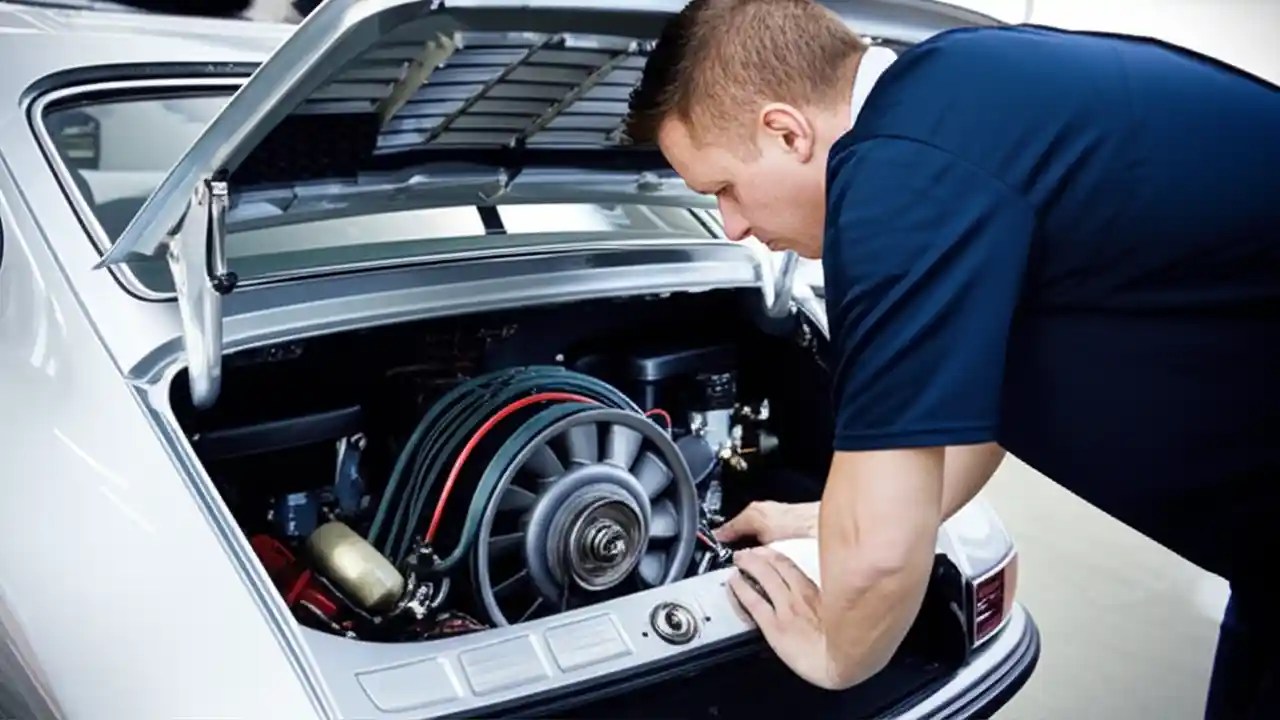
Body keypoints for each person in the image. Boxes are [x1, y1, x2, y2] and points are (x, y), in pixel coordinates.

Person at [622, 0, 1280, 716]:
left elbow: (880, 559)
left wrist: (835, 653)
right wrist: (828, 518)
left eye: (723, 188)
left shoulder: (897, 176)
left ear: (786, 131)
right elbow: (974, 402)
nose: (731, 225)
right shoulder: (955, 90)